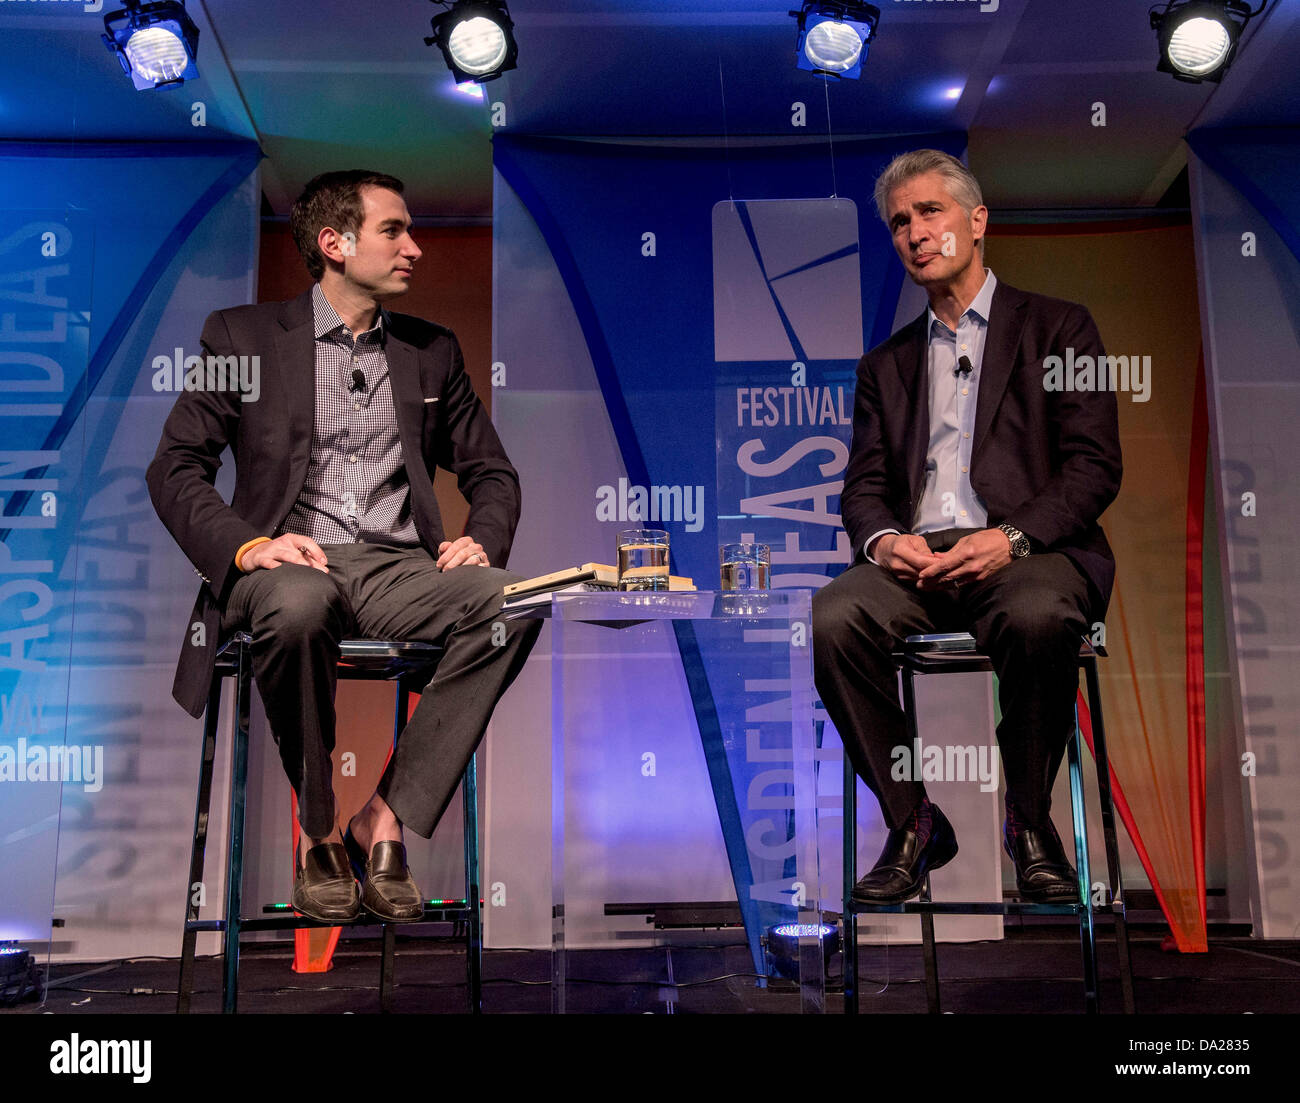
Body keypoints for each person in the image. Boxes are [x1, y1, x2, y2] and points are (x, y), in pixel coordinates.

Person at [147, 170, 541, 923]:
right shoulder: (244, 338)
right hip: (291, 562)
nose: (415, 248)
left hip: (397, 568)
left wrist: (481, 540)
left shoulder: (431, 352)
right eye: (394, 230)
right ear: (335, 243)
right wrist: (245, 546)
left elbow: (493, 472)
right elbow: (174, 468)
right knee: (298, 605)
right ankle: (319, 828)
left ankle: (383, 818)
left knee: (513, 606)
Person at [813, 150, 1121, 904]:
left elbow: (1093, 466)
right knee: (833, 617)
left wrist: (1010, 538)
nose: (914, 233)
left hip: (1029, 551)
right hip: (920, 562)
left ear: (977, 221)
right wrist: (889, 542)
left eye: (930, 212)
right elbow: (863, 489)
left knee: (1038, 613)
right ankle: (914, 821)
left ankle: (1028, 820)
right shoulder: (883, 366)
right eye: (898, 223)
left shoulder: (1060, 328)